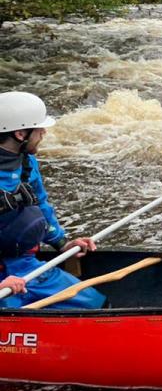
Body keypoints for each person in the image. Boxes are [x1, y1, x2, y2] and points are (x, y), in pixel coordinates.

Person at [0, 91, 103, 309]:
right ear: (20, 134)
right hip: (3, 281)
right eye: (39, 129)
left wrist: (62, 243)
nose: (43, 133)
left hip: (25, 265)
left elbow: (41, 205)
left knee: (95, 304)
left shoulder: (27, 163)